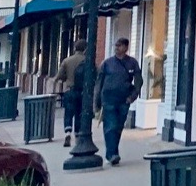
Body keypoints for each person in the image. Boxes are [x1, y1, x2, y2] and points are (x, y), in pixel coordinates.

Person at [95, 37, 142, 166]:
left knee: (118, 127)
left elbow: (138, 81)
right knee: (110, 126)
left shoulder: (132, 63)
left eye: (119, 46)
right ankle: (112, 154)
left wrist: (132, 97)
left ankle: (112, 151)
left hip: (124, 100)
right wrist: (97, 101)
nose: (117, 48)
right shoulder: (107, 63)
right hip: (109, 99)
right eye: (116, 45)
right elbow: (99, 83)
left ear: (126, 47)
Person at [54, 39, 88, 149]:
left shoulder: (67, 61)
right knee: (79, 113)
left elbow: (59, 76)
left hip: (69, 90)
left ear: (75, 48)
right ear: (85, 49)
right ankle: (77, 135)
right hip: (82, 91)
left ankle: (67, 132)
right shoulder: (87, 60)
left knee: (68, 112)